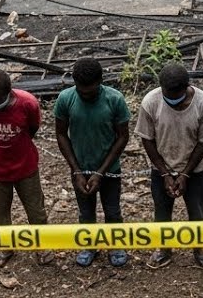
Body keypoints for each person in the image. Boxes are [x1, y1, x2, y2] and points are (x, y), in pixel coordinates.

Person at [0, 69, 55, 268]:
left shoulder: (28, 103)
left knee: (36, 210)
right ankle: (5, 247)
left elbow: (32, 128)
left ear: (10, 92)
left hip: (26, 167)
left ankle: (42, 246)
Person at [135, 62, 203, 269]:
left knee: (197, 212)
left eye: (175, 94)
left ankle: (200, 248)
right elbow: (148, 139)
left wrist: (185, 174)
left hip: (194, 169)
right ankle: (164, 248)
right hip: (161, 168)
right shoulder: (151, 102)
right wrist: (165, 174)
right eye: (166, 93)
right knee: (162, 212)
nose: (171, 98)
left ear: (186, 87)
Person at [54, 57, 131, 268]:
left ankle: (115, 244)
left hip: (110, 170)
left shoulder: (114, 99)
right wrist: (76, 171)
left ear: (101, 81)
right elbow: (61, 134)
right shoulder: (65, 99)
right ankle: (89, 244)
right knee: (85, 211)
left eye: (91, 91)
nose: (85, 95)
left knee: (113, 210)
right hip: (80, 169)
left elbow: (123, 136)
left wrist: (101, 172)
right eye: (81, 91)